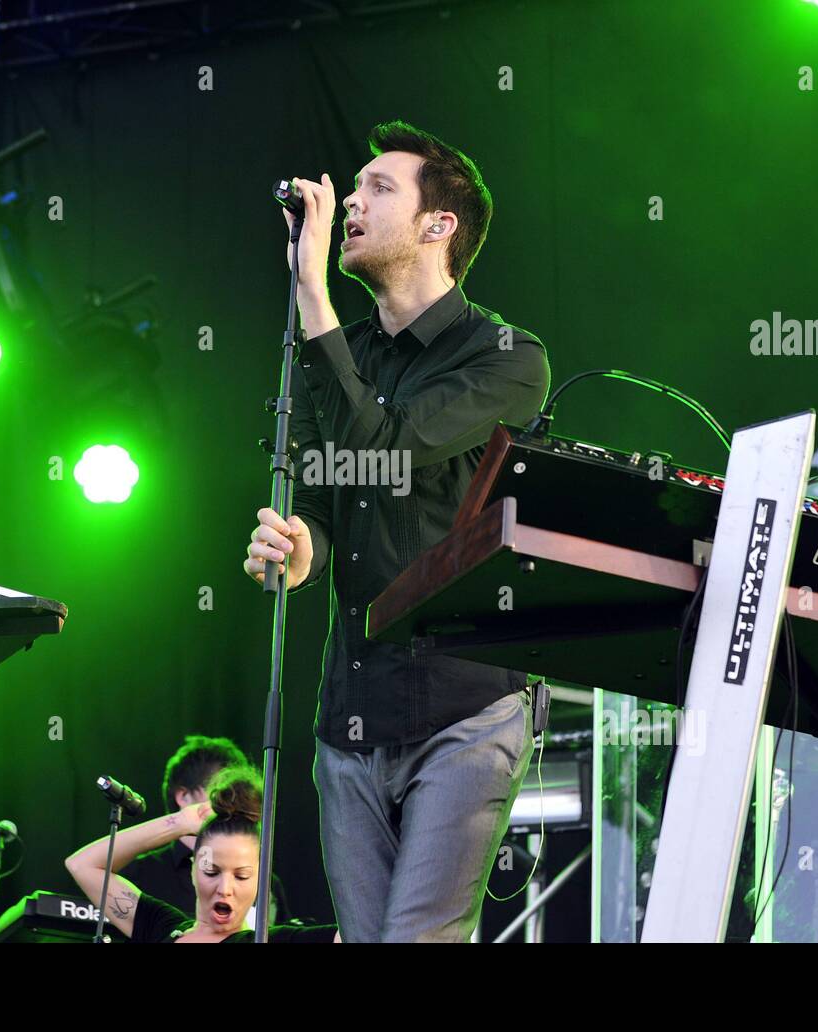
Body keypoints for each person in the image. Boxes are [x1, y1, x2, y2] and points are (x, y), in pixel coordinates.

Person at [243, 119, 550, 941]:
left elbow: (388, 449)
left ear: (438, 224)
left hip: (466, 704)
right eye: (356, 185)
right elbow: (320, 486)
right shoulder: (338, 356)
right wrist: (300, 546)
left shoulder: (507, 357)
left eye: (380, 186)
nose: (350, 198)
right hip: (351, 709)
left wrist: (314, 293)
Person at [64, 766, 337, 943]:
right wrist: (180, 823)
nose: (225, 889)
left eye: (242, 876)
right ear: (194, 868)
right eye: (212, 871)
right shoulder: (161, 926)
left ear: (260, 882)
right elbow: (82, 864)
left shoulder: (269, 940)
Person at [115, 734, 293, 922]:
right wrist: (179, 822)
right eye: (220, 791)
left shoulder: (266, 881)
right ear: (184, 796)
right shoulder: (142, 872)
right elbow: (85, 866)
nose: (231, 804)